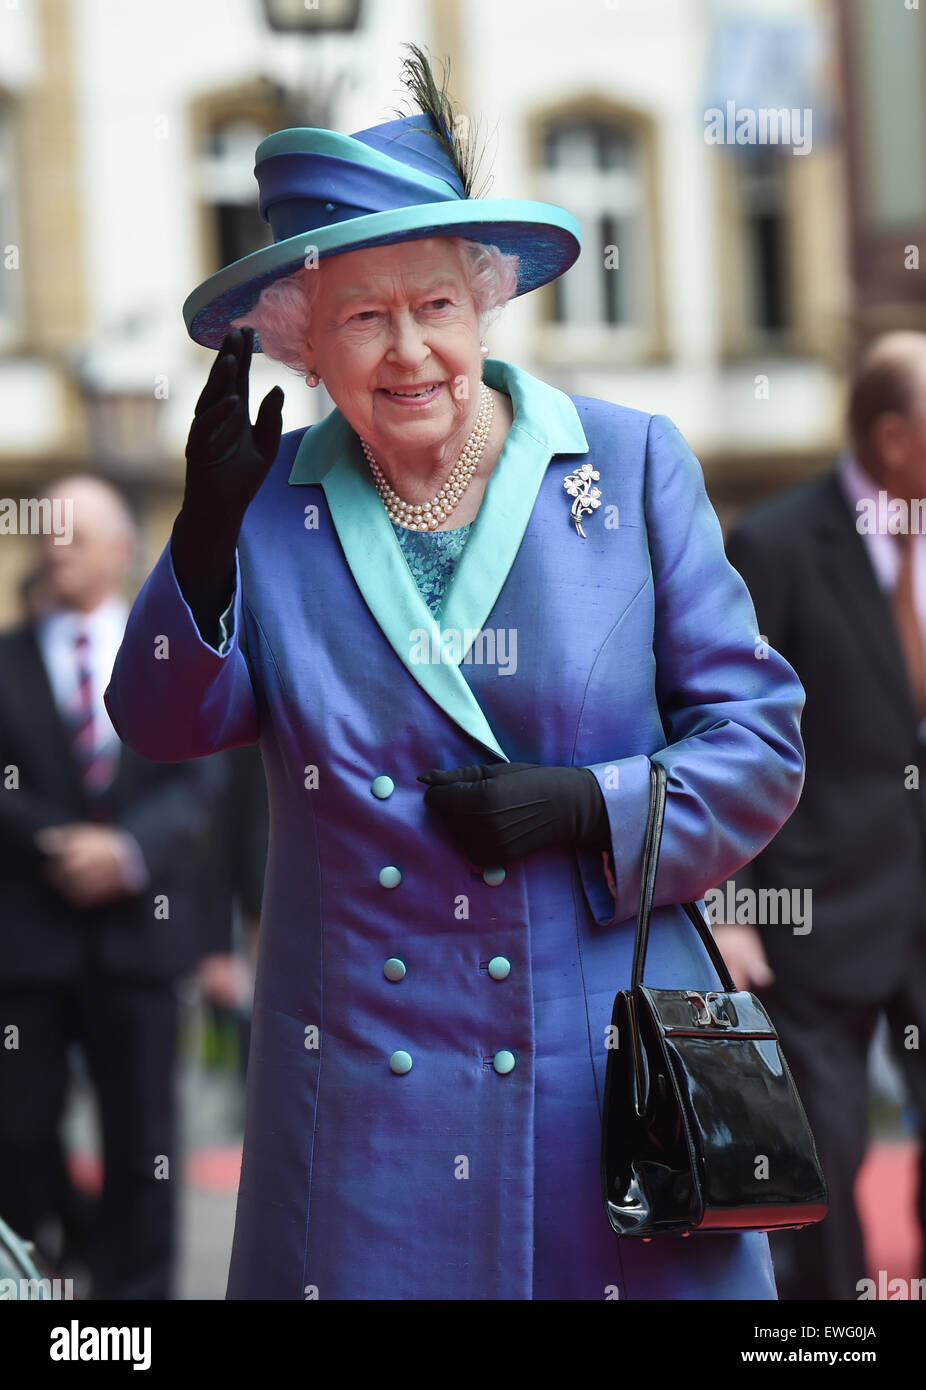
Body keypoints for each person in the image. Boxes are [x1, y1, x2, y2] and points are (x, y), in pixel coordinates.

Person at [104, 49, 805, 1300]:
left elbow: (759, 741)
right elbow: (158, 723)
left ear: (482, 305)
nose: (408, 350)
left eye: (433, 305)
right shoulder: (267, 509)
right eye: (362, 317)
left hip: (602, 1073)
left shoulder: (630, 469)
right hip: (369, 1087)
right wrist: (200, 541)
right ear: (305, 346)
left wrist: (598, 805)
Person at [714, 331, 926, 1300]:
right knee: (827, 1170)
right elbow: (712, 723)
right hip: (810, 912)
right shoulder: (773, 544)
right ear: (891, 439)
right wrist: (724, 900)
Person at [0, 476, 217, 1299]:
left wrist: (126, 848)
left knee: (143, 1145)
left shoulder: (167, 654)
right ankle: (34, 1288)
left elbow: (204, 778)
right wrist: (54, 840)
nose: (58, 547)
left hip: (140, 938)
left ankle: (133, 1317)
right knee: (17, 1137)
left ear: (124, 549)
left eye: (78, 534)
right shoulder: (7, 659)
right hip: (25, 942)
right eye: (49, 533)